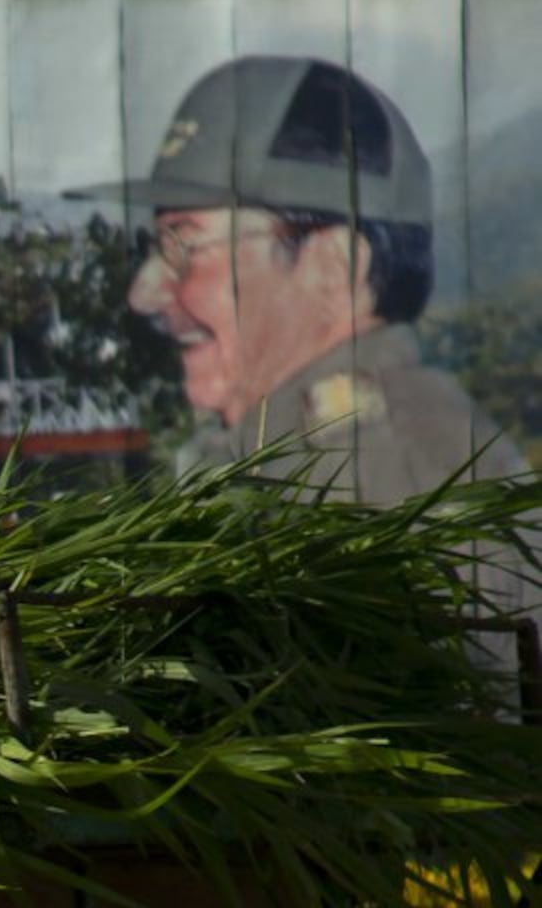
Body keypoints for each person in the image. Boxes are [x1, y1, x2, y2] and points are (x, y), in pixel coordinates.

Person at [68, 56, 535, 653]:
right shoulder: (301, 456)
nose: (144, 292)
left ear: (335, 266)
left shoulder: (372, 471)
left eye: (185, 245)